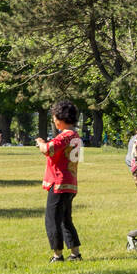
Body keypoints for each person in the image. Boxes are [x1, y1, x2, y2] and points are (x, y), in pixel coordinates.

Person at [36, 99, 83, 263]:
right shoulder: (76, 136)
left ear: (61, 119)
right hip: (70, 182)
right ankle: (75, 253)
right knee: (65, 219)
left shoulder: (65, 136)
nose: (54, 121)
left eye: (55, 117)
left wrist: (40, 142)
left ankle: (57, 255)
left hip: (58, 183)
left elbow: (47, 149)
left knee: (52, 219)